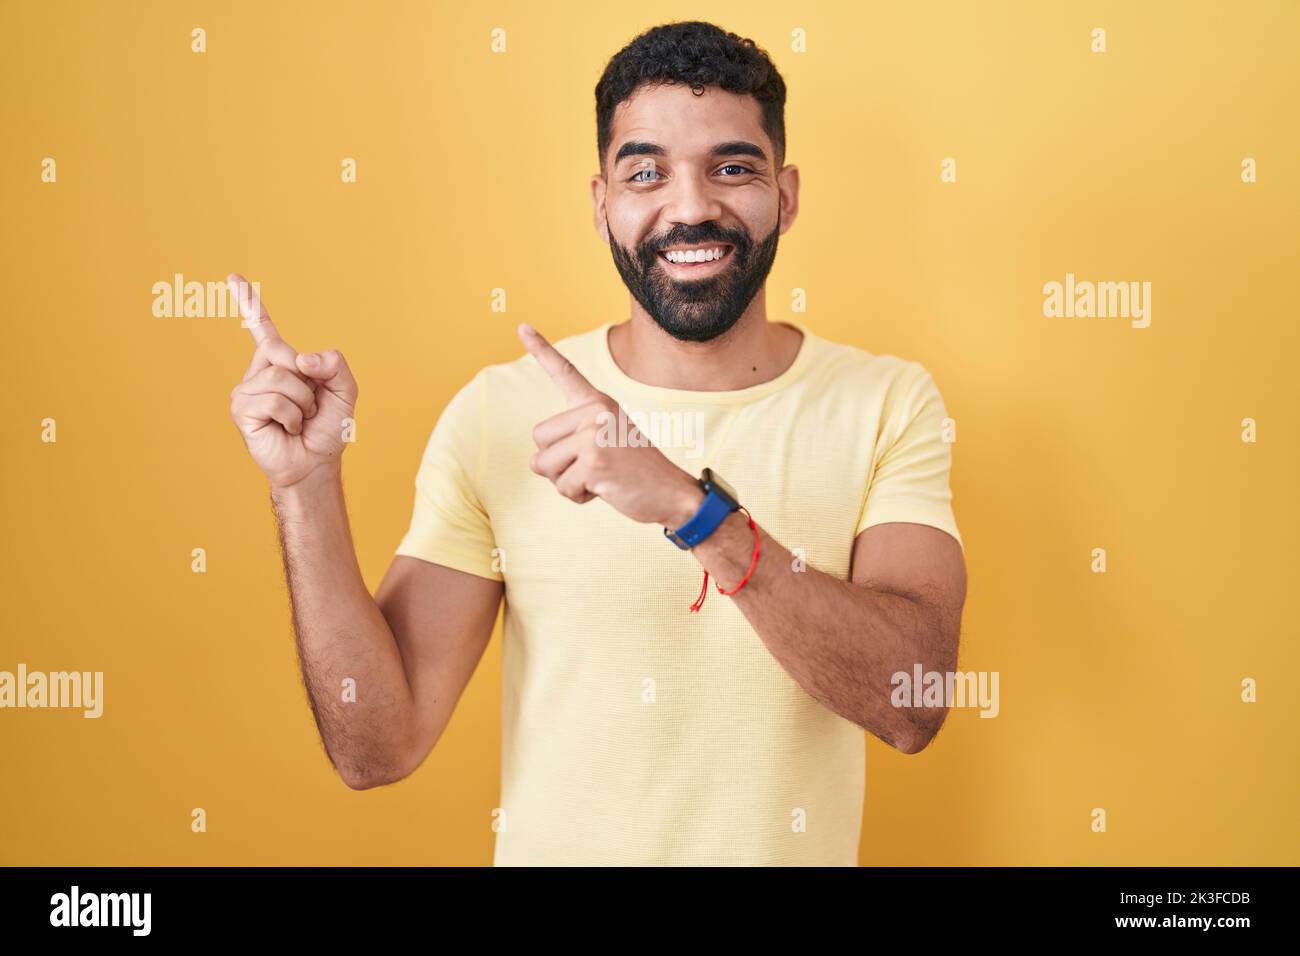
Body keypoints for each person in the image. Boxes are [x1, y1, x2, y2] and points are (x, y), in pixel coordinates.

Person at [227, 20, 966, 866]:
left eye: (733, 167)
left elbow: (914, 705)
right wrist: (304, 486)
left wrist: (696, 513)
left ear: (787, 195)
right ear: (601, 203)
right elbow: (376, 748)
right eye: (645, 172)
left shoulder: (886, 403)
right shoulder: (499, 414)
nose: (689, 207)